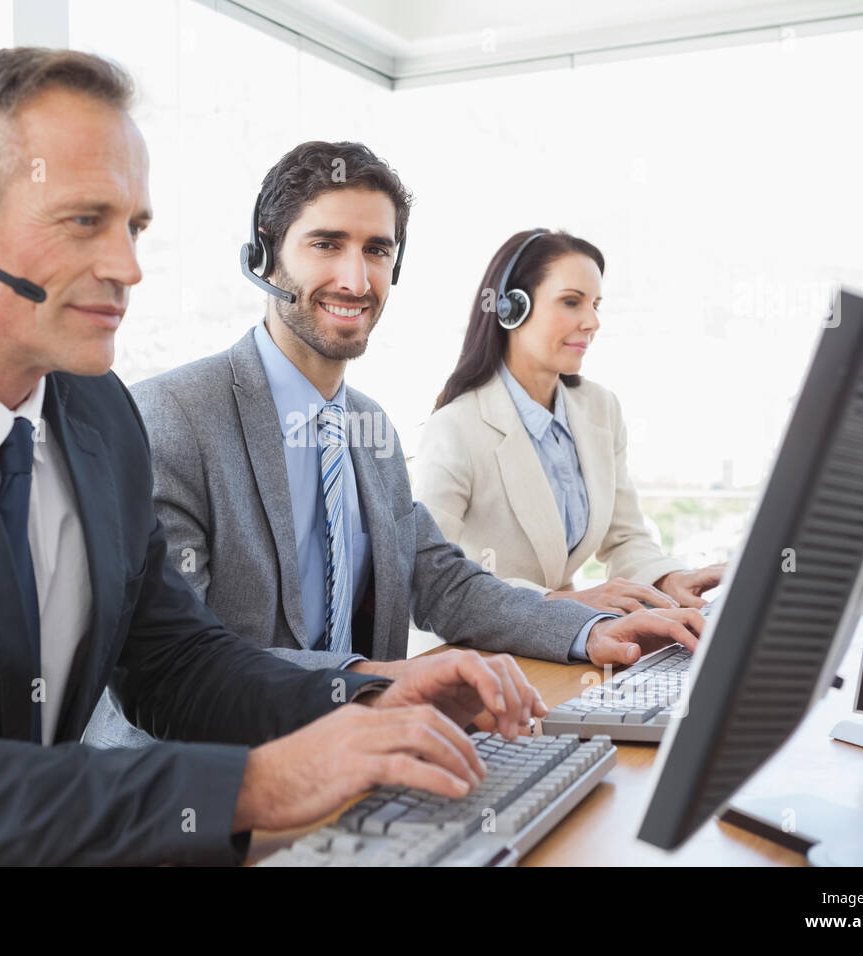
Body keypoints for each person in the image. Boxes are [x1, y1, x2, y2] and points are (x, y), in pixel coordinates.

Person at [0, 49, 550, 866]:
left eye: (134, 225)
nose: (129, 265)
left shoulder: (94, 412)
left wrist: (365, 699)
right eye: (84, 221)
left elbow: (173, 661)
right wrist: (249, 785)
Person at [99, 144, 705, 722]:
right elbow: (176, 666)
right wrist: (369, 689)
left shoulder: (368, 428)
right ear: (265, 256)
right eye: (326, 244)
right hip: (208, 781)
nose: (356, 281)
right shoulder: (173, 418)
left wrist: (588, 631)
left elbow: (442, 581)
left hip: (359, 752)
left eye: (377, 251)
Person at [413, 228, 724, 644]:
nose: (593, 322)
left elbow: (625, 537)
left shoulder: (600, 408)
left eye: (595, 305)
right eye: (571, 302)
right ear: (511, 309)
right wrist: (564, 602)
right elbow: (429, 578)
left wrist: (669, 578)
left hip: (566, 644)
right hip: (478, 652)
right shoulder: (455, 427)